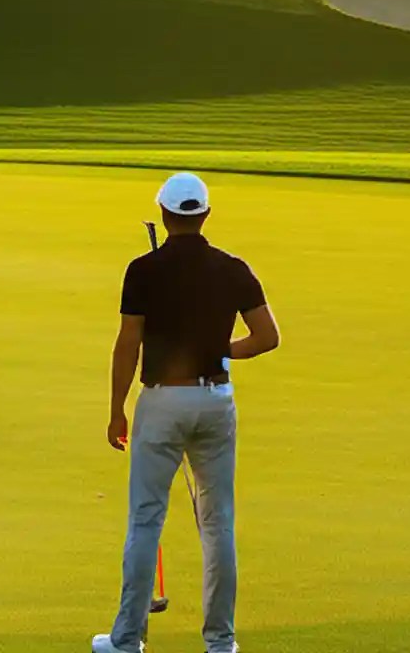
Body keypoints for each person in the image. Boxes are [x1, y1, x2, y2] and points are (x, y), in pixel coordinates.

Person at [92, 172, 280, 653]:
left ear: (163, 214)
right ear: (205, 216)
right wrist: (223, 351)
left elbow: (127, 344)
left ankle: (127, 640)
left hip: (161, 401)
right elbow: (266, 337)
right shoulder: (233, 268)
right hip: (216, 401)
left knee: (144, 522)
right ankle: (221, 643)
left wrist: (117, 411)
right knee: (218, 525)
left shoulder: (142, 270)